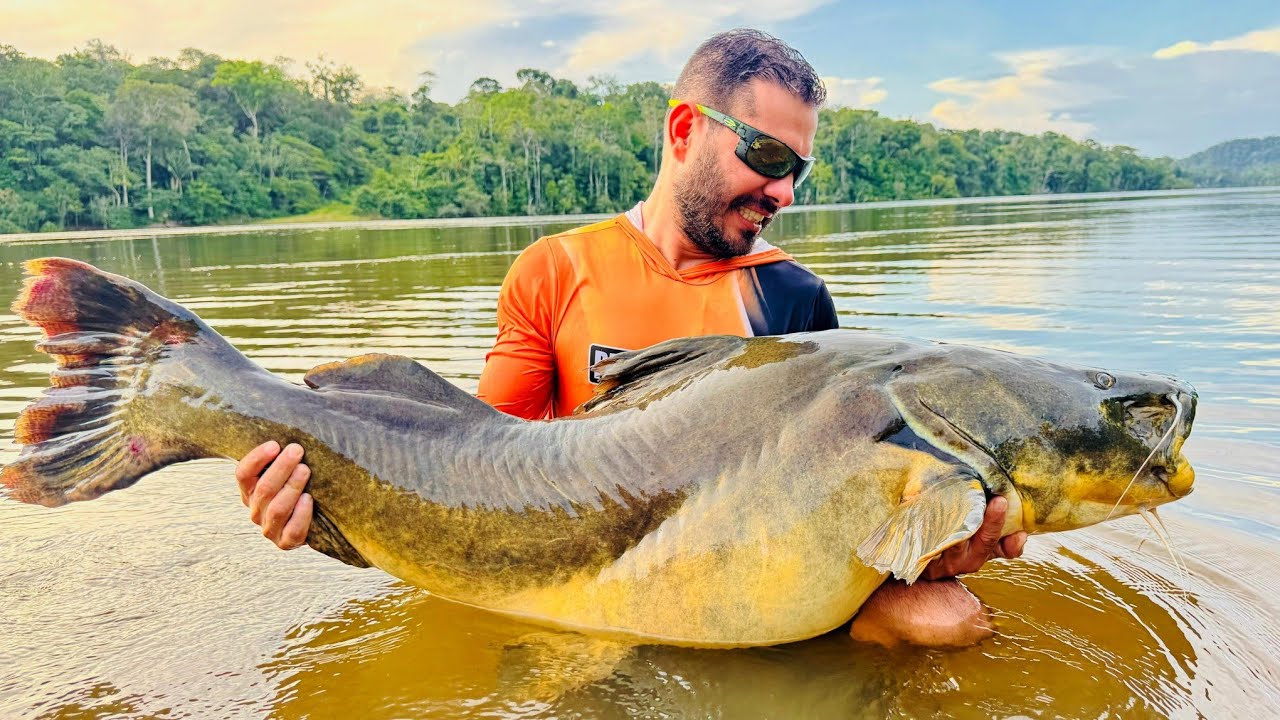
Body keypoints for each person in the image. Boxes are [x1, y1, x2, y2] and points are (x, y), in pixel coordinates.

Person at [236, 29, 1027, 646]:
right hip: (596, 558)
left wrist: (944, 539)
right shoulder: (555, 270)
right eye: (767, 155)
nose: (783, 190)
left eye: (800, 170)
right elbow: (474, 461)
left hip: (744, 579)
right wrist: (326, 507)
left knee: (939, 624)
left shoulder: (794, 297)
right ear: (685, 129)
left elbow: (838, 495)